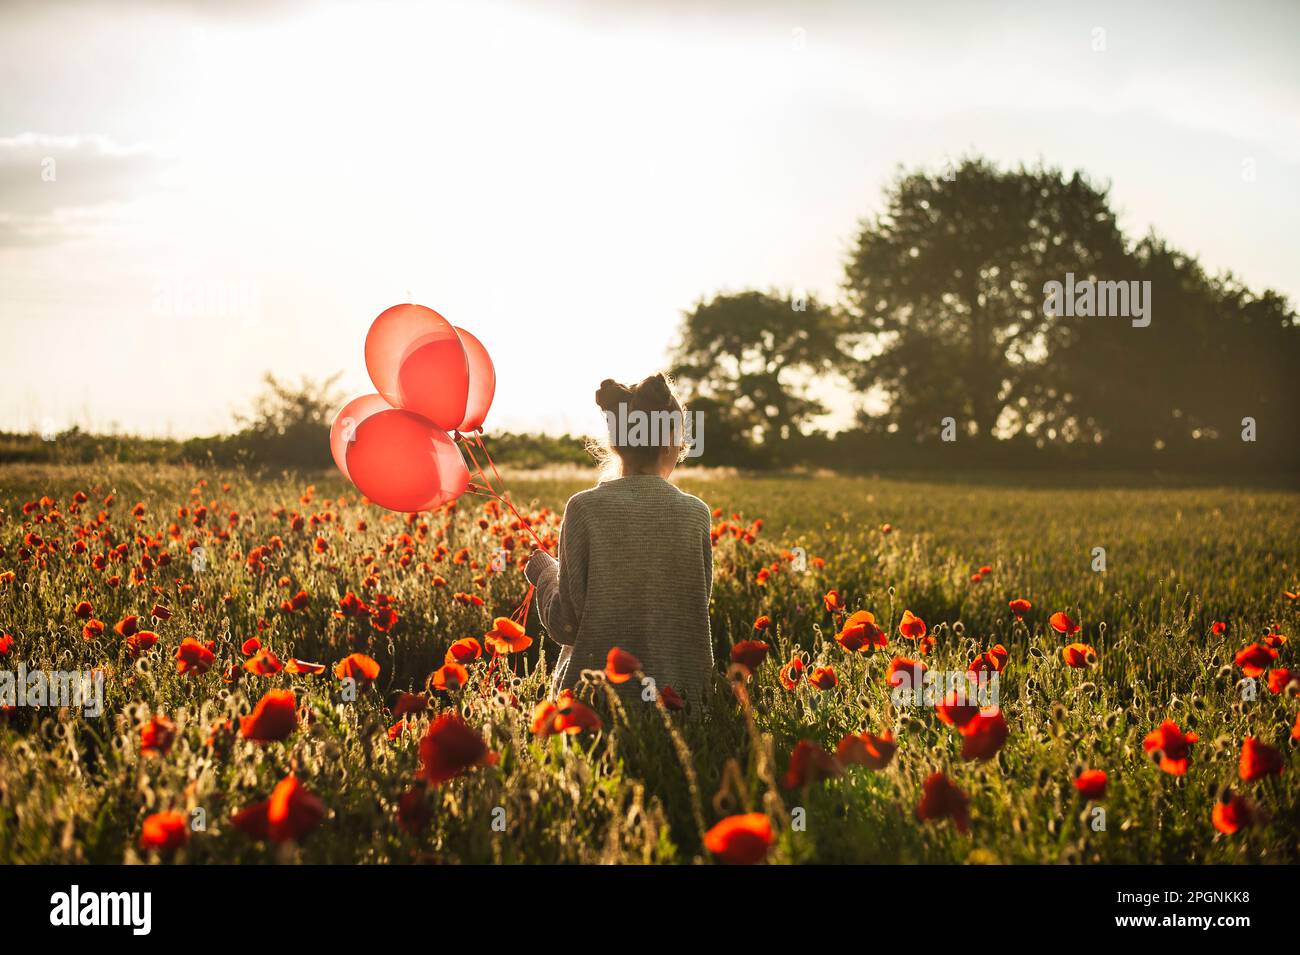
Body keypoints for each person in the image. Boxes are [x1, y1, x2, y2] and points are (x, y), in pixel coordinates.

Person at [524, 373, 714, 709]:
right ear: (673, 441)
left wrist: (544, 575)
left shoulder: (583, 509)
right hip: (681, 709)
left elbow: (566, 626)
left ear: (616, 442)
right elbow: (689, 612)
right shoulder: (695, 514)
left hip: (595, 710)